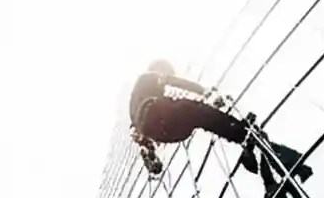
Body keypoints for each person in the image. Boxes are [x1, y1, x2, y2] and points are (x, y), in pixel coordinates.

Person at [129, 60, 311, 184]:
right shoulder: (149, 75)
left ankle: (239, 134)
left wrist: (150, 152)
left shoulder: (135, 105)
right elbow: (175, 82)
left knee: (195, 117)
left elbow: (138, 132)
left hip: (162, 132)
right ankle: (240, 133)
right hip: (156, 112)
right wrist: (204, 91)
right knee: (196, 111)